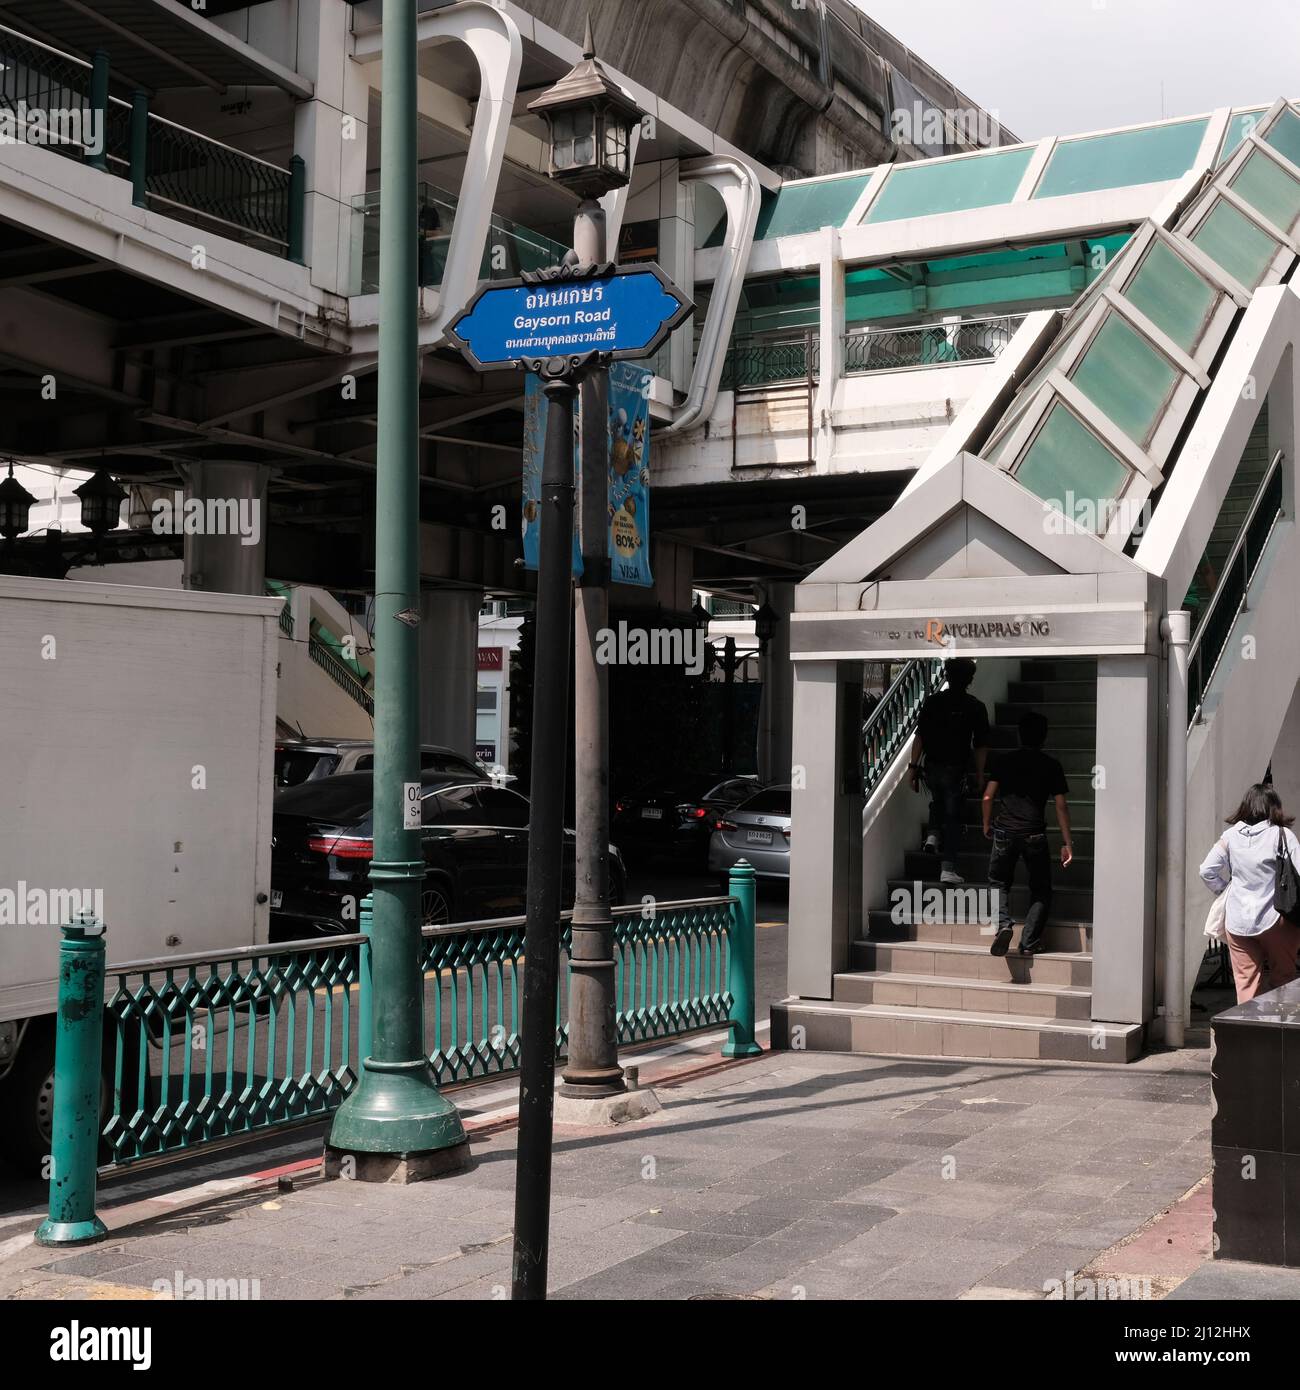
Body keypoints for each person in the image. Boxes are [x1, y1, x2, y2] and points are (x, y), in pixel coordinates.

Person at [981, 710, 1073, 957]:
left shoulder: (1003, 762)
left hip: (1004, 832)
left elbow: (988, 796)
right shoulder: (1051, 765)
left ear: (1020, 736)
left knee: (997, 883)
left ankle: (1003, 925)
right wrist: (1067, 842)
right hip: (1034, 834)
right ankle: (1029, 942)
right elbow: (1061, 806)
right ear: (1044, 738)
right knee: (1041, 889)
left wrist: (986, 824)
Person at [1199, 783, 1300, 1004]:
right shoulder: (1282, 835)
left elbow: (1206, 870)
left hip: (1237, 922)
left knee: (1245, 985)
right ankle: (1281, 1032)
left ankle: (1249, 1034)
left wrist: (1225, 888)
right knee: (1283, 978)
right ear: (1274, 807)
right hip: (1277, 918)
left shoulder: (1230, 836)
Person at [908, 658, 989, 885]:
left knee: (937, 800)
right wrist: (980, 775)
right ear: (970, 680)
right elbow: (981, 744)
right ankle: (948, 867)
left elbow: (920, 737)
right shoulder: (975, 706)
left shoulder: (932, 703)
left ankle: (933, 834)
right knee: (953, 818)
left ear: (946, 676)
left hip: (931, 766)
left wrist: (912, 768)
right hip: (956, 768)